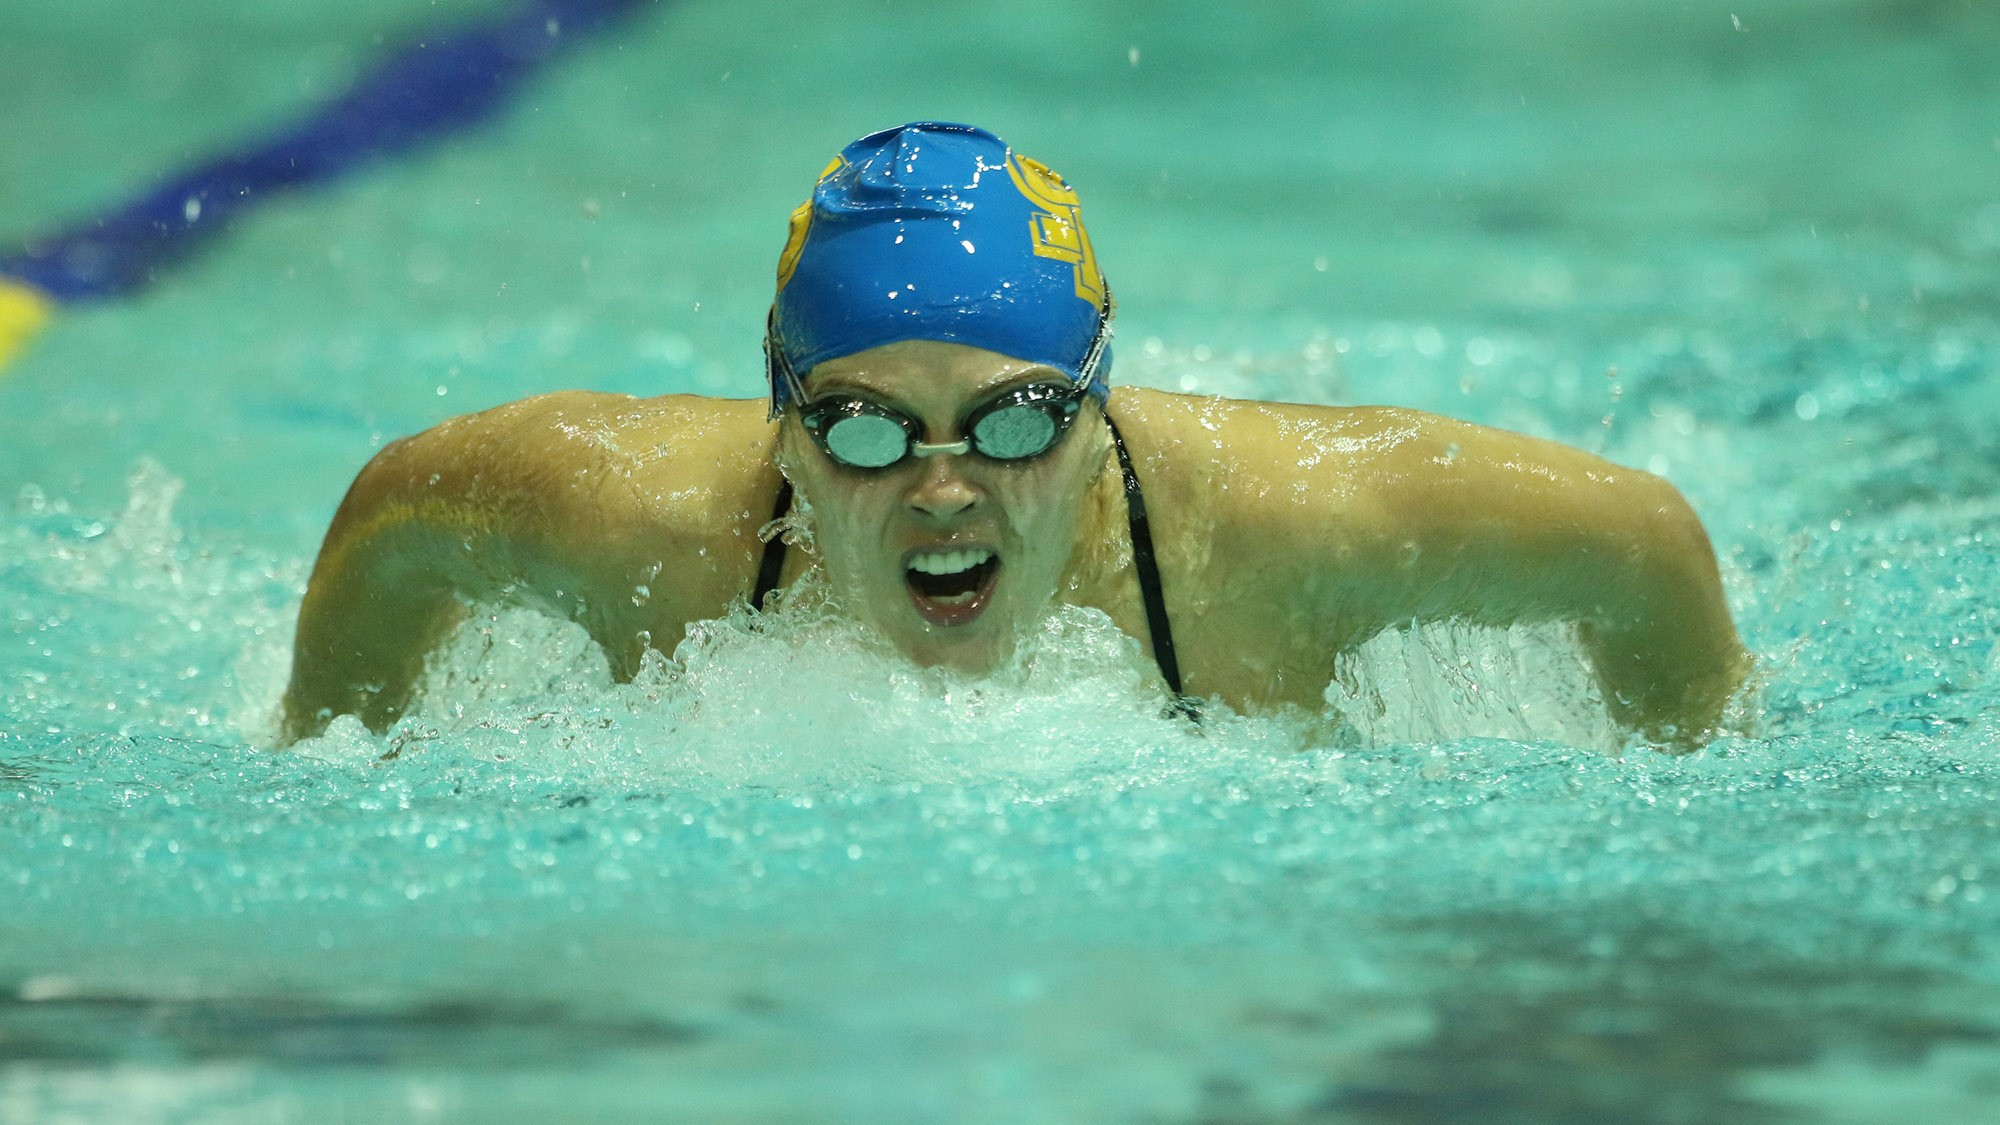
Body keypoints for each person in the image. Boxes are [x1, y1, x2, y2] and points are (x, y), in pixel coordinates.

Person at [280, 121, 1751, 748]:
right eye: (867, 432)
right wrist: (321, 750)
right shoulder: (650, 529)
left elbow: (1646, 545)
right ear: (784, 433)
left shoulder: (1289, 534)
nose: (943, 490)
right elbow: (394, 516)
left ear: (1101, 414)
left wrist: (1692, 787)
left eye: (1016, 420)